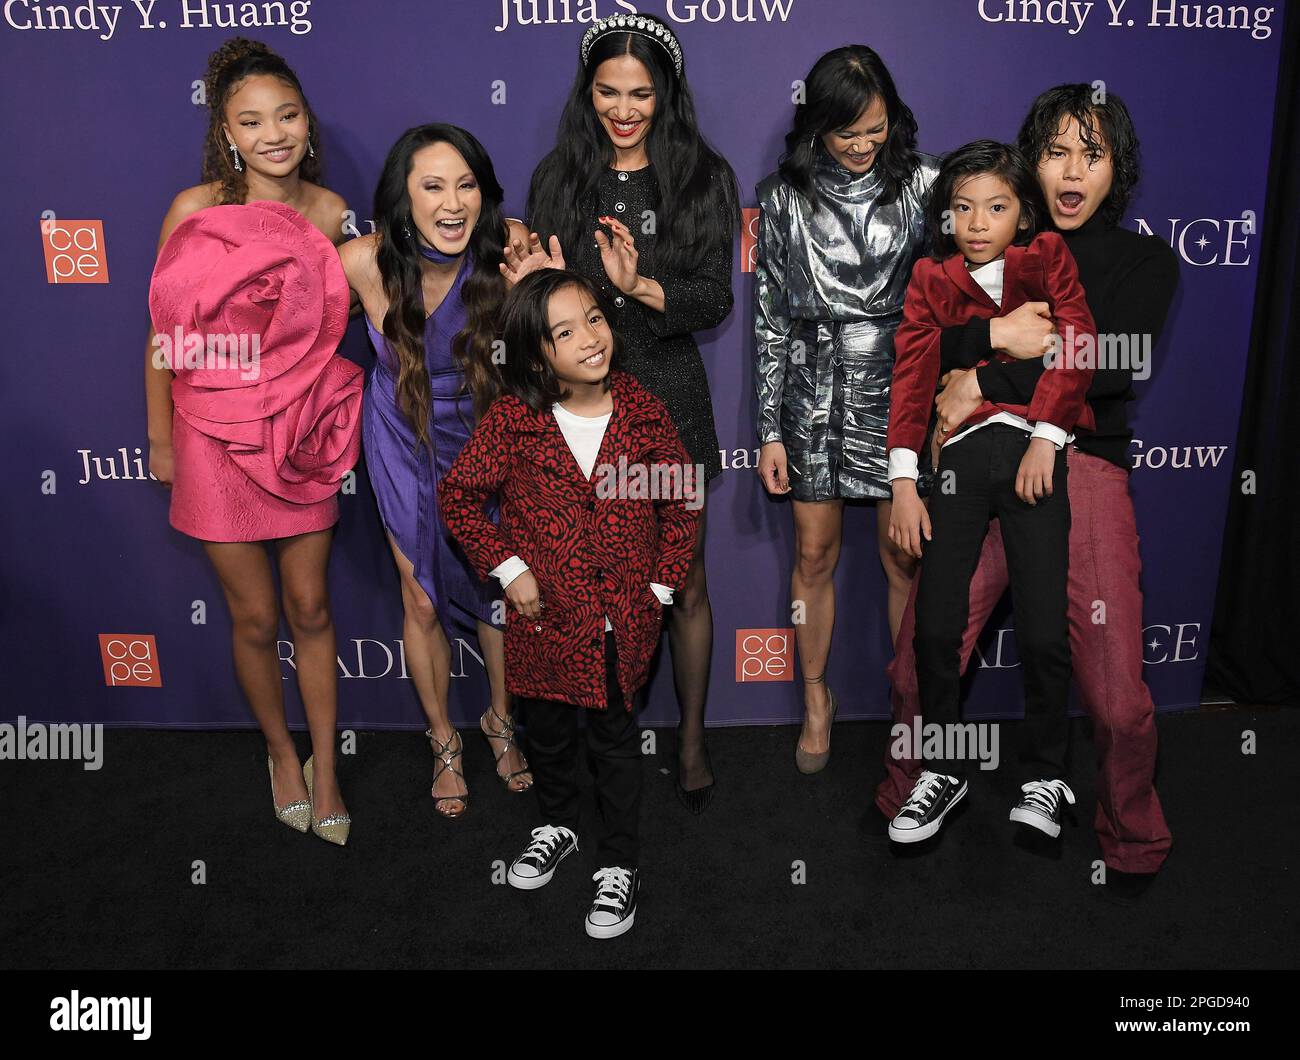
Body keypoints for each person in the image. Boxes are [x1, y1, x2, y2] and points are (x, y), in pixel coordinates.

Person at [871, 87, 1177, 899]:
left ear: (1119, 168)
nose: (1073, 171)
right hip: (971, 465)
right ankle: (916, 787)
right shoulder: (987, 247)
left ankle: (1133, 836)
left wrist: (983, 379)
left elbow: (1111, 366)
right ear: (1028, 162)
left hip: (1077, 462)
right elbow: (921, 352)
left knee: (1114, 696)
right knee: (916, 660)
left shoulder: (1145, 262)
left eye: (1094, 152)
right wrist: (980, 354)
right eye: (1056, 151)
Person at [505, 12, 739, 813]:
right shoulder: (559, 175)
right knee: (582, 581)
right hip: (575, 411)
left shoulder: (704, 176)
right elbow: (545, 307)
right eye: (608, 91)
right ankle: (590, 746)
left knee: (685, 582)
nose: (625, 107)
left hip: (667, 400)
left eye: (641, 92)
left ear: (666, 92)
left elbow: (713, 299)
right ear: (588, 91)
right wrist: (537, 285)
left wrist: (637, 286)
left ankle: (694, 738)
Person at [439, 268, 700, 938]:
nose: (590, 338)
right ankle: (556, 824)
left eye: (593, 317)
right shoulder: (515, 420)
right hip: (542, 627)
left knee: (615, 747)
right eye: (564, 331)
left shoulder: (643, 414)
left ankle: (619, 863)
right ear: (536, 354)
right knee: (549, 739)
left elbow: (680, 507)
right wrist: (509, 565)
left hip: (621, 626)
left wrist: (659, 589)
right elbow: (459, 498)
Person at [144, 38, 359, 844]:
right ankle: (279, 753)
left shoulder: (335, 213)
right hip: (209, 434)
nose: (274, 133)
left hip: (301, 432)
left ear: (308, 121)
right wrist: (160, 437)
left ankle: (328, 768)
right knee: (257, 617)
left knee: (310, 606)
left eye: (288, 115)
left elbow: (347, 321)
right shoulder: (193, 210)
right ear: (227, 132)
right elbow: (162, 337)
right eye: (252, 121)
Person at [885, 140, 1096, 844]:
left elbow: (1079, 345)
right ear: (945, 216)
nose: (978, 223)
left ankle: (1046, 775)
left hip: (1036, 451)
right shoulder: (930, 278)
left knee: (1042, 628)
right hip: (959, 461)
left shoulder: (1049, 262)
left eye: (997, 207)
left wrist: (1048, 436)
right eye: (963, 208)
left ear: (1022, 213)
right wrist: (905, 482)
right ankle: (941, 773)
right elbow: (913, 379)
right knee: (936, 628)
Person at [338, 124, 534, 818]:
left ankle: (499, 722)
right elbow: (285, 324)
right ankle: (444, 739)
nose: (453, 203)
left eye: (466, 184)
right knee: (419, 597)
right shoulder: (361, 262)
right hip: (402, 437)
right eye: (432, 186)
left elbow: (560, 343)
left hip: (484, 437)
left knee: (495, 591)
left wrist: (538, 289)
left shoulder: (509, 249)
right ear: (401, 201)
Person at [753, 45, 939, 772]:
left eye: (877, 129)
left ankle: (908, 706)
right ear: (817, 127)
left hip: (899, 387)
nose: (864, 146)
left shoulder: (925, 184)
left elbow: (953, 297)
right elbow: (769, 318)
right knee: (813, 554)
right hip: (810, 387)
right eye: (847, 132)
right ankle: (815, 699)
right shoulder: (781, 195)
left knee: (903, 557)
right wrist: (769, 428)